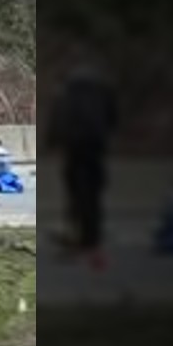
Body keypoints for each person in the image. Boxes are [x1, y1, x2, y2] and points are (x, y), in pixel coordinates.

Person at [47, 59, 118, 265]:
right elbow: (113, 116)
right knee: (94, 192)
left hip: (74, 147)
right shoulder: (104, 90)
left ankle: (75, 233)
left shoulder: (67, 91)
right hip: (96, 146)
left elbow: (59, 117)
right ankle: (93, 237)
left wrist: (52, 142)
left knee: (75, 191)